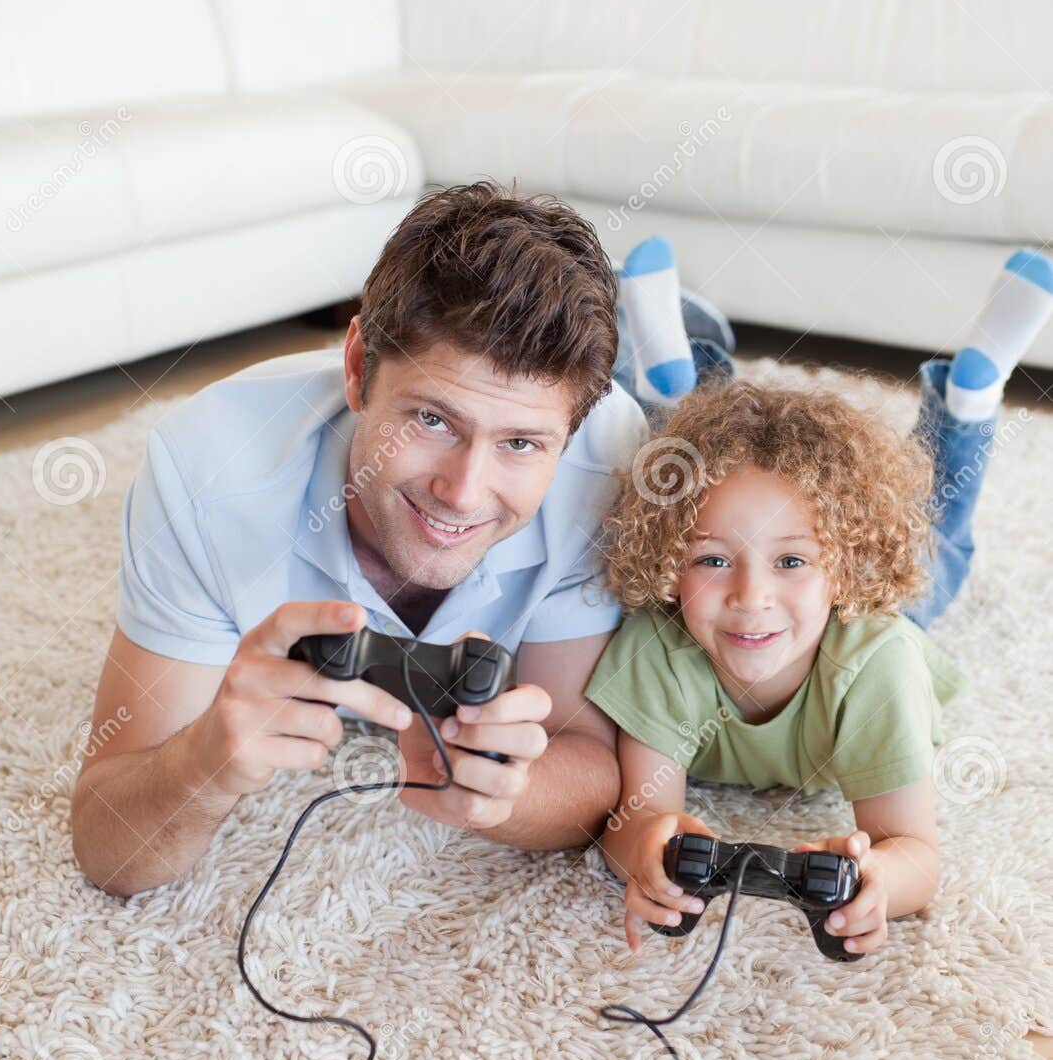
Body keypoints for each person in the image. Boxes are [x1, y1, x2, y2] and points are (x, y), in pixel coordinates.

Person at [72, 182, 651, 897]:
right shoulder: (206, 473)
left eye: (521, 443)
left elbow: (595, 766)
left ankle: (679, 329)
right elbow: (106, 848)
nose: (463, 493)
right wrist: (203, 761)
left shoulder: (606, 464)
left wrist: (510, 792)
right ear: (355, 368)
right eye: (432, 420)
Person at [586, 250, 1053, 958]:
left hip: (854, 635)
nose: (751, 599)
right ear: (669, 567)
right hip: (803, 611)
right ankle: (670, 389)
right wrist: (646, 846)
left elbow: (914, 854)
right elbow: (636, 816)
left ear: (844, 569)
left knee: (940, 551)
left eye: (792, 562)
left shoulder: (876, 662)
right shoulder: (657, 648)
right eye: (710, 560)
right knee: (692, 475)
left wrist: (878, 880)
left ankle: (969, 399)